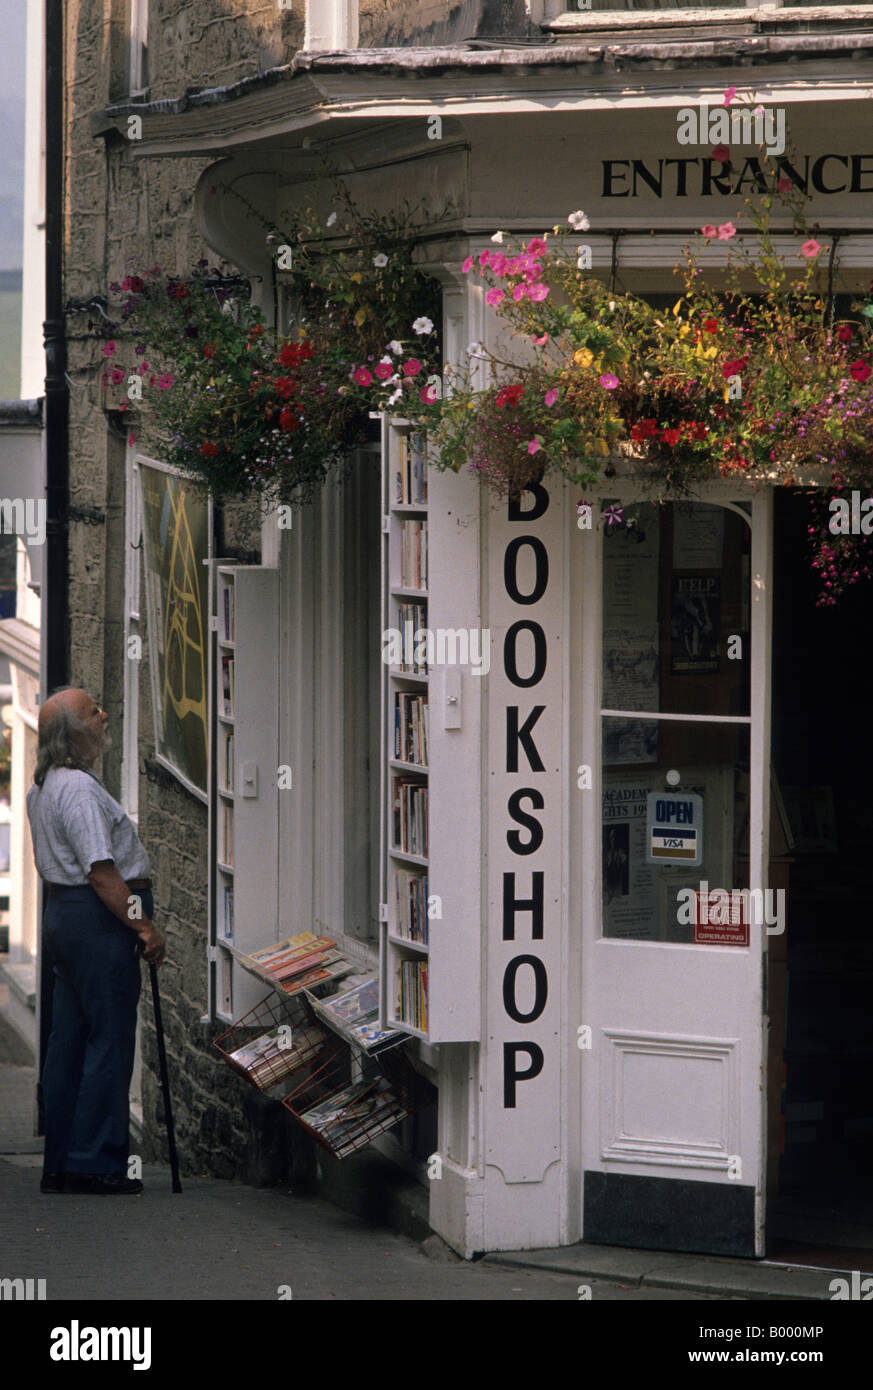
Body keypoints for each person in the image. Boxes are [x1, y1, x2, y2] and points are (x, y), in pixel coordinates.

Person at [26, 688, 165, 1195]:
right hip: (95, 917)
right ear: (73, 733)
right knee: (108, 1038)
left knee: (69, 1040)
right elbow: (103, 874)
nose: (104, 715)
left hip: (65, 914)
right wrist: (143, 925)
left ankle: (62, 1160)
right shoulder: (79, 792)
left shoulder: (42, 787)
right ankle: (97, 1163)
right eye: (93, 712)